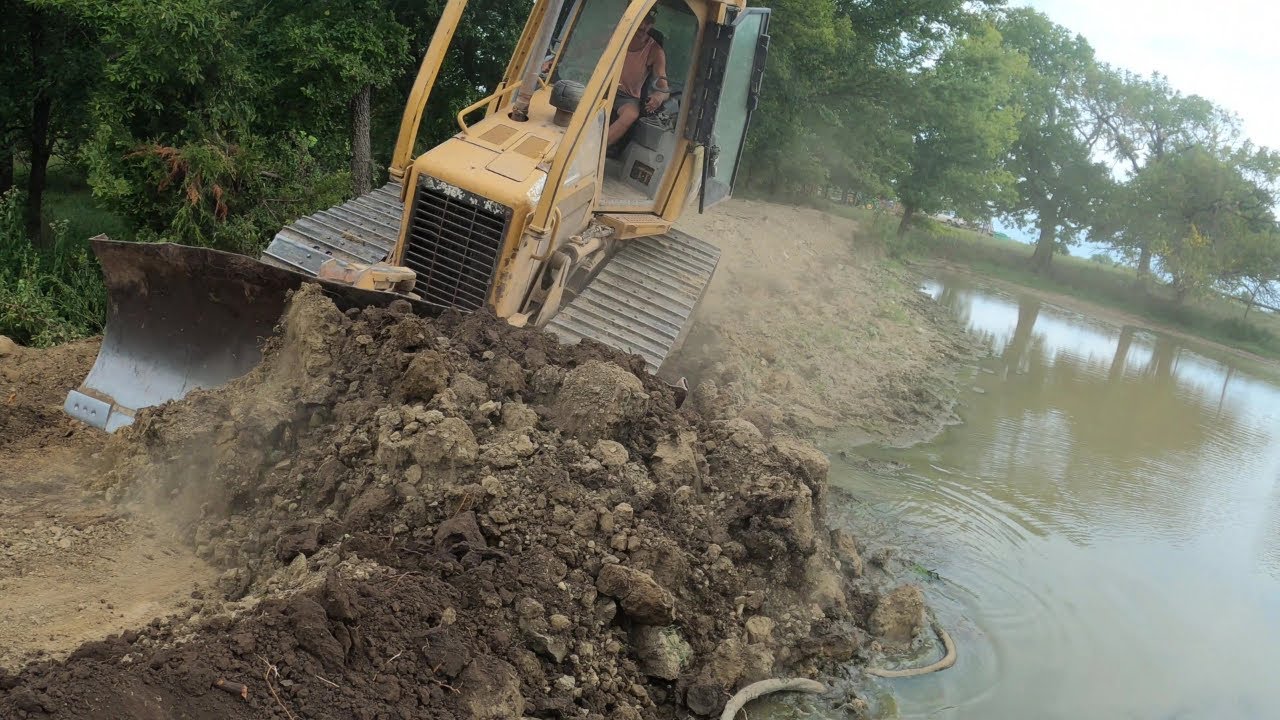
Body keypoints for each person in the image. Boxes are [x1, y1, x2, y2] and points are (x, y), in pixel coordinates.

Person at [608, 10, 669, 146]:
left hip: (626, 96)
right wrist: (553, 60)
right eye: (642, 19)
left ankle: (593, 148)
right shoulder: (614, 34)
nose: (643, 26)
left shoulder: (655, 51)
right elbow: (582, 49)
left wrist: (658, 97)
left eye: (648, 22)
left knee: (631, 114)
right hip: (602, 86)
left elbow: (663, 88)